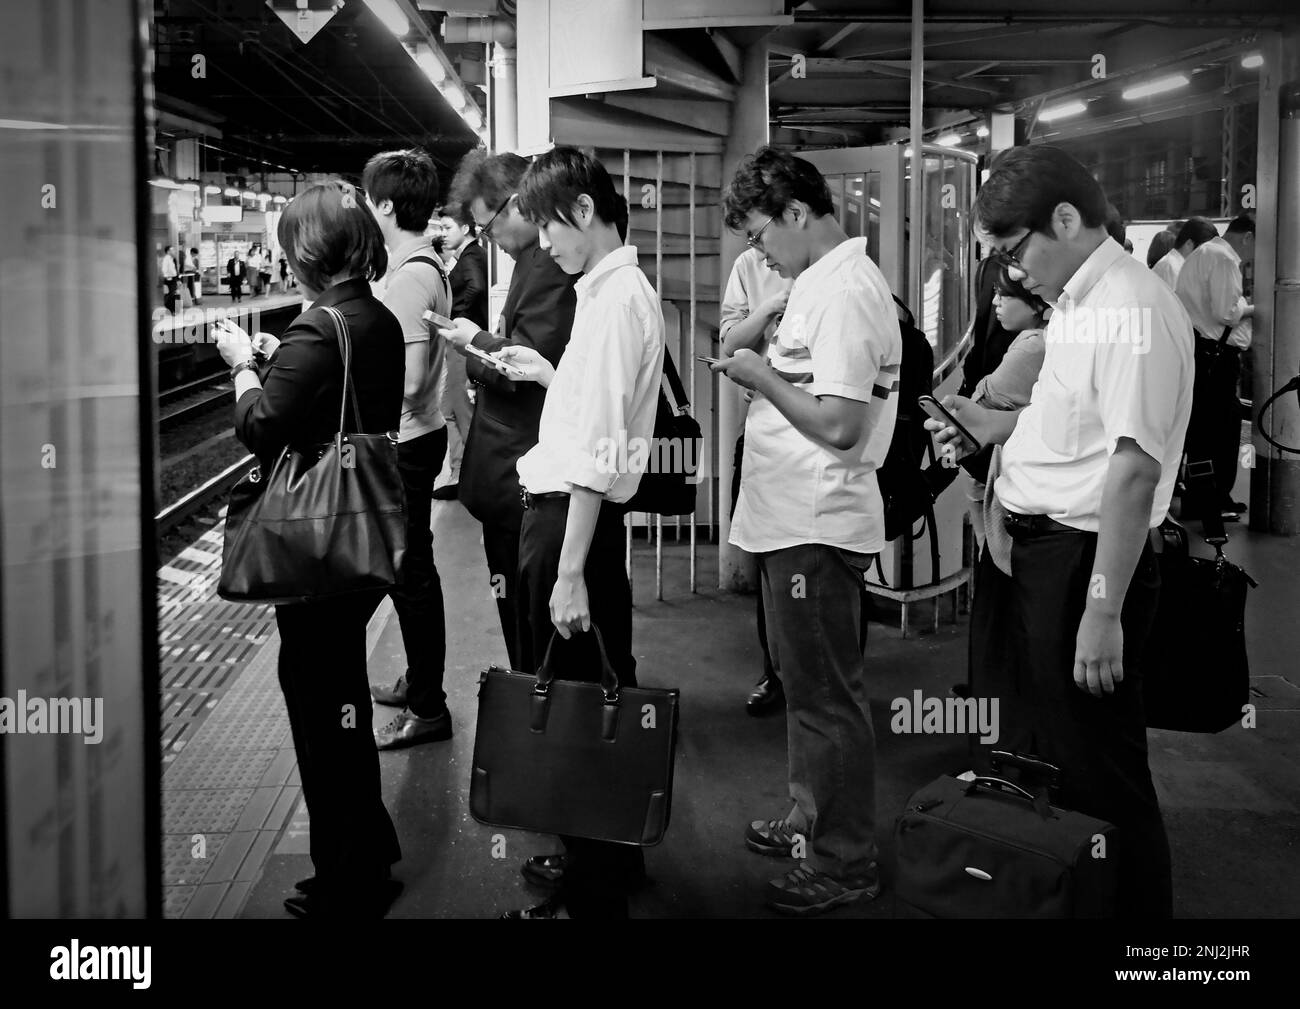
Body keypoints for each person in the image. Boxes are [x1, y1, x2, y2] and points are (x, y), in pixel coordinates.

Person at [928, 145, 1193, 918]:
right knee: (1049, 764)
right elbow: (1068, 429)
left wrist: (1103, 607)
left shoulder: (1135, 311)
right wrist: (982, 424)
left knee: (1100, 772)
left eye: (1015, 253)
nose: (1012, 275)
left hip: (1082, 565)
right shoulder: (1079, 304)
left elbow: (1133, 471)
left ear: (1067, 220)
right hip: (1035, 555)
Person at [715, 146, 901, 916]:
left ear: (797, 213)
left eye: (761, 234)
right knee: (807, 689)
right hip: (793, 518)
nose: (757, 252)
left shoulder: (848, 290)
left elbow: (843, 424)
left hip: (818, 524)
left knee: (827, 698)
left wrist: (759, 376)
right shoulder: (816, 285)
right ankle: (809, 818)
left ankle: (844, 858)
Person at [213, 180, 404, 918]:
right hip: (361, 538)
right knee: (344, 699)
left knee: (321, 714)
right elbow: (338, 398)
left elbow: (262, 424)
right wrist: (278, 351)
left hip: (316, 550)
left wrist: (241, 362)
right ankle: (370, 851)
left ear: (307, 251)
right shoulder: (373, 318)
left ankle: (348, 883)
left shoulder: (320, 327)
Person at [485, 146, 664, 919]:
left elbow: (598, 452)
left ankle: (596, 889)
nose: (542, 244)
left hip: (570, 521)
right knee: (593, 694)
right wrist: (547, 376)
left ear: (583, 212)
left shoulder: (617, 299)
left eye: (547, 226)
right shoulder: (607, 290)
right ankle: (607, 866)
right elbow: (599, 411)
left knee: (580, 706)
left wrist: (567, 571)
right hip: (570, 515)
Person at [436, 149, 577, 677]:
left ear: (519, 204)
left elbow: (529, 359)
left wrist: (473, 346)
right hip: (519, 471)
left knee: (529, 613)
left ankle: (539, 712)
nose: (484, 234)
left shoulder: (548, 267)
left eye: (488, 222)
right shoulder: (533, 264)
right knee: (525, 610)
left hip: (523, 469)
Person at [361, 148, 456, 750]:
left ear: (388, 206)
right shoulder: (418, 268)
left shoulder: (413, 275)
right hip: (418, 439)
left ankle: (428, 708)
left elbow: (413, 377)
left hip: (406, 443)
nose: (366, 211)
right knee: (409, 573)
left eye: (370, 202)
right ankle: (419, 683)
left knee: (411, 577)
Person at [718, 246, 792, 715]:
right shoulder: (751, 264)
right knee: (766, 561)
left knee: (821, 570)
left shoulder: (839, 276)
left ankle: (827, 675)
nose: (766, 251)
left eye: (761, 232)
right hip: (763, 431)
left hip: (812, 444)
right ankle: (775, 671)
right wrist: (767, 308)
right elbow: (730, 342)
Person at [1175, 214, 1255, 520]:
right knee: (1222, 430)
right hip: (1216, 358)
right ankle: (1212, 501)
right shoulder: (1223, 259)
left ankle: (1206, 499)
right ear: (1247, 237)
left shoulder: (1203, 253)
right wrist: (1252, 308)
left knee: (1203, 432)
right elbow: (1227, 313)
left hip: (1199, 352)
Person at [431, 212, 488, 500]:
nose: (442, 232)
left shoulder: (472, 256)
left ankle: (466, 476)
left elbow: (476, 287)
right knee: (449, 409)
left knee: (458, 410)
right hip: (461, 344)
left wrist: (457, 317)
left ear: (465, 228)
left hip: (463, 345)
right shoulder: (470, 255)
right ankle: (460, 472)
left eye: (447, 226)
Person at [1153, 216, 1216, 292]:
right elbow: (1176, 302)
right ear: (1189, 244)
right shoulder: (1171, 267)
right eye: (1204, 249)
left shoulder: (1178, 265)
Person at [160, 245, 179, 313]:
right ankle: (169, 307)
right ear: (168, 251)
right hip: (169, 279)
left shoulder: (171, 259)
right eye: (172, 250)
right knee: (171, 294)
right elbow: (164, 269)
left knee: (172, 293)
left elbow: (174, 270)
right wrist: (167, 276)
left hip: (173, 278)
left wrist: (177, 278)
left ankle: (172, 309)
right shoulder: (166, 259)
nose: (174, 251)